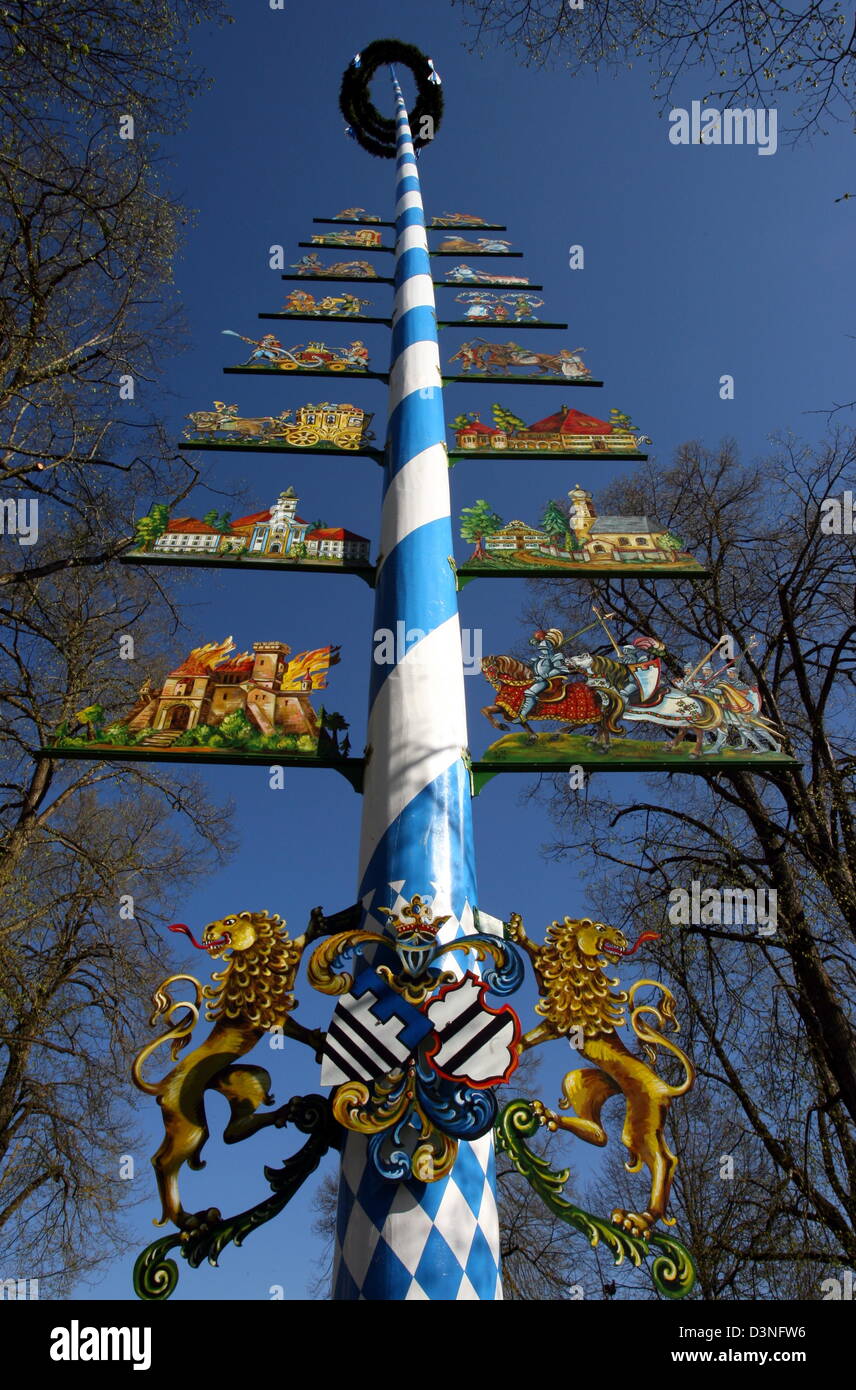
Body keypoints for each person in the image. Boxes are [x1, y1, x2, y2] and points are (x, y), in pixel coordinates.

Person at [519, 629, 572, 721]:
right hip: (536, 679)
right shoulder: (538, 659)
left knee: (530, 692)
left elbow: (558, 669)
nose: (544, 650)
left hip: (548, 682)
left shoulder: (555, 657)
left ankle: (522, 716)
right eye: (542, 649)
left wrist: (544, 676)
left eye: (546, 648)